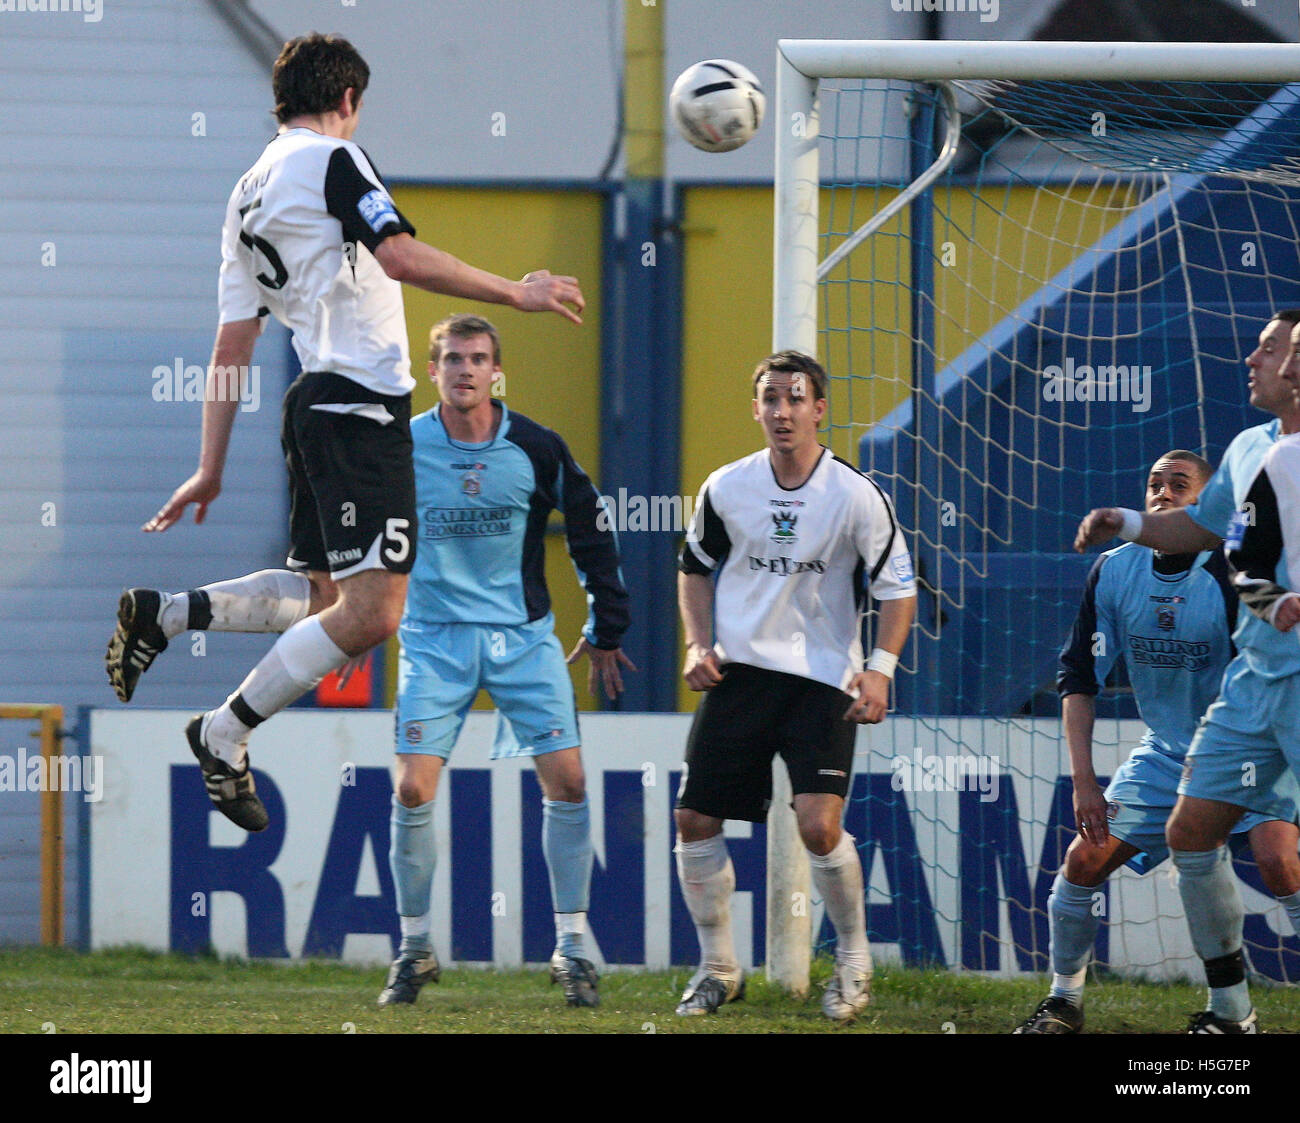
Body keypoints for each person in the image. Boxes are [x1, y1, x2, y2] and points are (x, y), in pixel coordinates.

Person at [104, 35, 584, 832]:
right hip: (360, 407)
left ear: (280, 98)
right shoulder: (335, 159)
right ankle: (222, 733)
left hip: (311, 404)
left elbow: (232, 345)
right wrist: (516, 291)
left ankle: (167, 613)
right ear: (349, 102)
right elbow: (398, 255)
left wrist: (210, 463)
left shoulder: (246, 193)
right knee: (373, 613)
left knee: (325, 598)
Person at [377, 314, 632, 1009]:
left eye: (478, 358)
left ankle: (573, 946)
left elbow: (590, 528)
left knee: (571, 780)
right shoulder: (401, 447)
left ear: (497, 371)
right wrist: (346, 620)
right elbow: (358, 528)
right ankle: (414, 947)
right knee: (411, 790)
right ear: (433, 372)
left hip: (521, 637)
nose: (465, 370)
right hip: (433, 637)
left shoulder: (535, 446)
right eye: (452, 358)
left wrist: (608, 623)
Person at [1015, 451, 1300, 1034]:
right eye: (1154, 484)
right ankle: (1062, 1002)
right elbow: (1079, 679)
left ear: (1203, 505)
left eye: (1179, 485)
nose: (1163, 494)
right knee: (1083, 859)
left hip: (1247, 744)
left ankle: (1230, 1017)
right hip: (1169, 754)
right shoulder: (1114, 571)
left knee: (1278, 861)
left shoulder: (1232, 574)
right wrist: (1085, 781)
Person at [673, 350, 917, 1022]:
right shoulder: (726, 486)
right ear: (755, 409)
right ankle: (718, 966)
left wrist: (881, 670)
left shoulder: (854, 494)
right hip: (742, 672)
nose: (782, 411)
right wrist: (699, 643)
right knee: (693, 818)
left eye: (795, 398)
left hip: (822, 679)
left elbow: (898, 589)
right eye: (770, 398)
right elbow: (692, 567)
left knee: (818, 825)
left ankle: (853, 959)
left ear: (820, 408)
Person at [1074, 310, 1300, 1032]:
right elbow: (1211, 537)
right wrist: (1127, 521)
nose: (1253, 358)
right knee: (1190, 830)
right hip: (1254, 686)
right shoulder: (1252, 451)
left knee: (1276, 854)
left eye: (1270, 348)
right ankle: (1231, 1010)